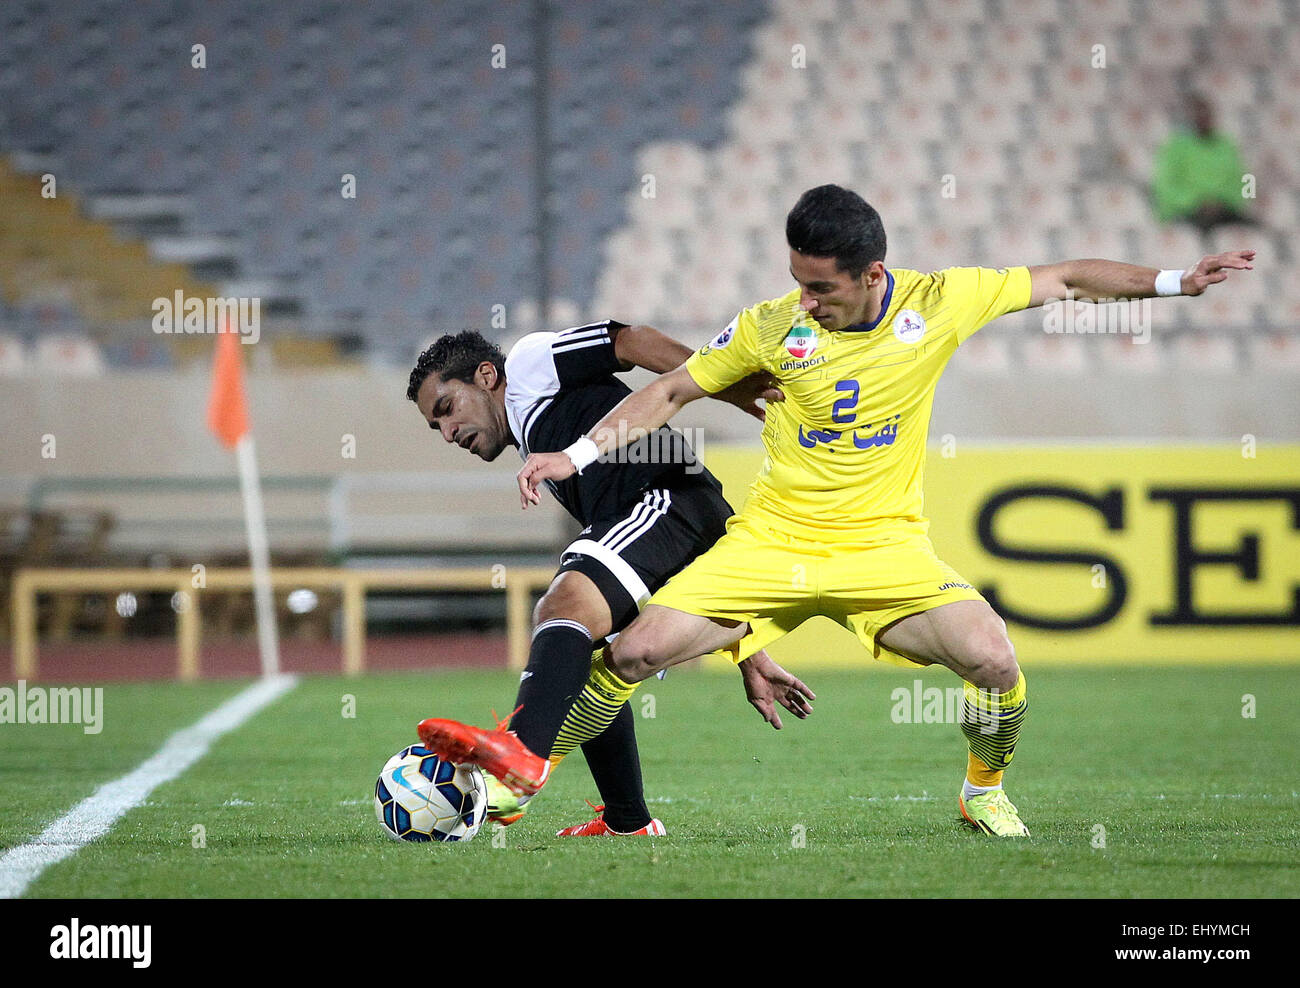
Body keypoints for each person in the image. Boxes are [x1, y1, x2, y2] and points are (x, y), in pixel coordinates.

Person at [483, 184, 1253, 838]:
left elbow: (1066, 277)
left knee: (993, 658)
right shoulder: (771, 325)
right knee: (630, 653)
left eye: (820, 287)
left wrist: (1177, 279)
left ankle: (982, 791)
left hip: (884, 549)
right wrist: (575, 457)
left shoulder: (940, 301)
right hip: (772, 543)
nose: (805, 300)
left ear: (872, 273)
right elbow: (671, 389)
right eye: (796, 281)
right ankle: (520, 777)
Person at [408, 323, 812, 836]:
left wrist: (722, 382)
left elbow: (628, 341)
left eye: (446, 409)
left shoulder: (529, 365)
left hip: (665, 498)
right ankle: (629, 821)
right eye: (435, 427)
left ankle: (522, 754)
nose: (447, 432)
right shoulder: (532, 433)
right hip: (673, 517)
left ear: (487, 376)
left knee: (562, 607)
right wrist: (748, 652)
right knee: (586, 656)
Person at [1153, 93, 1255, 236]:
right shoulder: (1175, 147)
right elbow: (1165, 186)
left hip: (1223, 210)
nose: (1203, 117)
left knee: (1253, 232)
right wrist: (1197, 203)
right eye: (1197, 113)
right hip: (1188, 213)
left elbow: (1243, 181)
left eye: (1206, 113)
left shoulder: (1227, 145)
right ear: (1188, 117)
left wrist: (1222, 202)